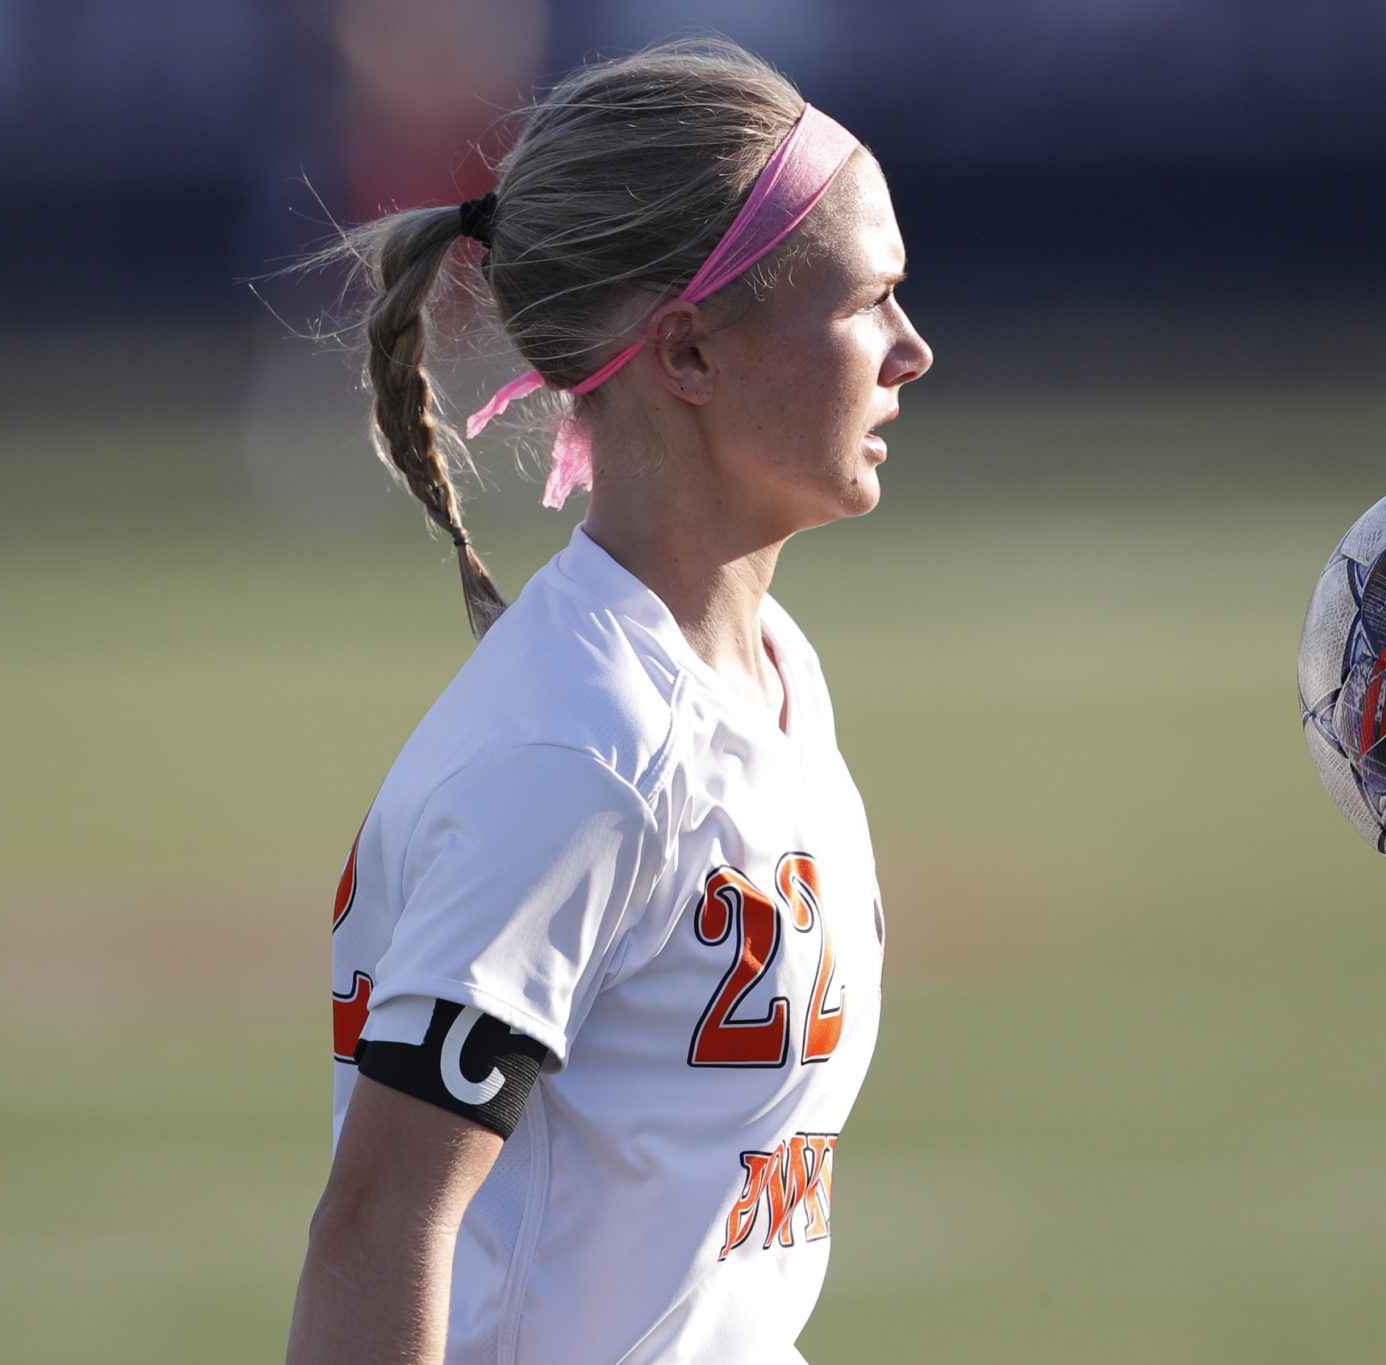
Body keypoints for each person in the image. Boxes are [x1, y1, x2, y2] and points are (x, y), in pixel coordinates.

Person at [286, 41, 932, 1365]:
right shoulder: (581, 751)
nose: (911, 350)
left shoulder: (769, 673)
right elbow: (381, 1221)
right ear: (688, 351)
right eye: (868, 301)